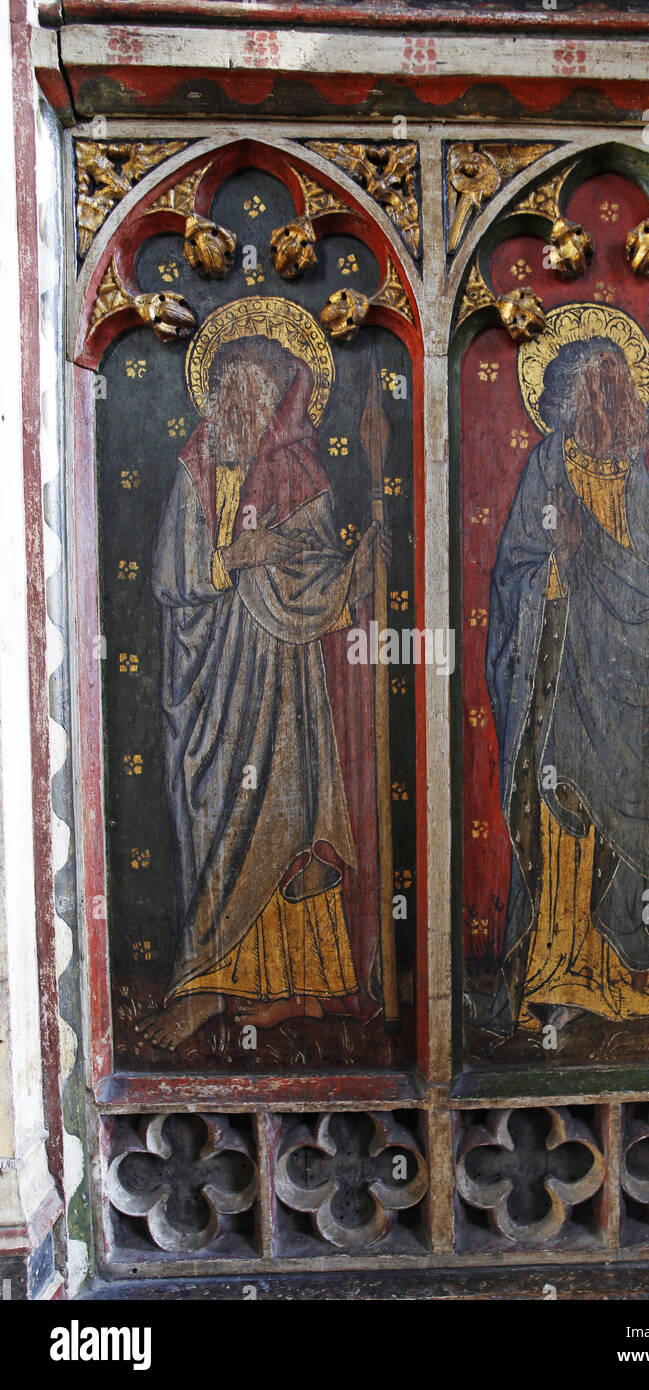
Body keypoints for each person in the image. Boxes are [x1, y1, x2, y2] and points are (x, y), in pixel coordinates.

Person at [471, 335, 649, 1038]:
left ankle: (641, 972)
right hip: (562, 682)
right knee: (564, 821)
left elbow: (644, 585)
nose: (611, 402)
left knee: (638, 806)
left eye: (617, 387)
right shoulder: (547, 466)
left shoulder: (632, 473)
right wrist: (552, 573)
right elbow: (515, 571)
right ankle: (558, 972)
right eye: (597, 388)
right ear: (568, 399)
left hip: (626, 684)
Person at [137, 336, 386, 1051]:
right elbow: (168, 578)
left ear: (279, 403)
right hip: (210, 686)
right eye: (226, 390)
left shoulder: (297, 472)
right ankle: (210, 984)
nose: (237, 406)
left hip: (283, 685)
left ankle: (302, 987)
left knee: (284, 818)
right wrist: (234, 558)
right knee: (220, 818)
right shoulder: (195, 470)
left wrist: (353, 573)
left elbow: (321, 570)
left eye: (252, 392)